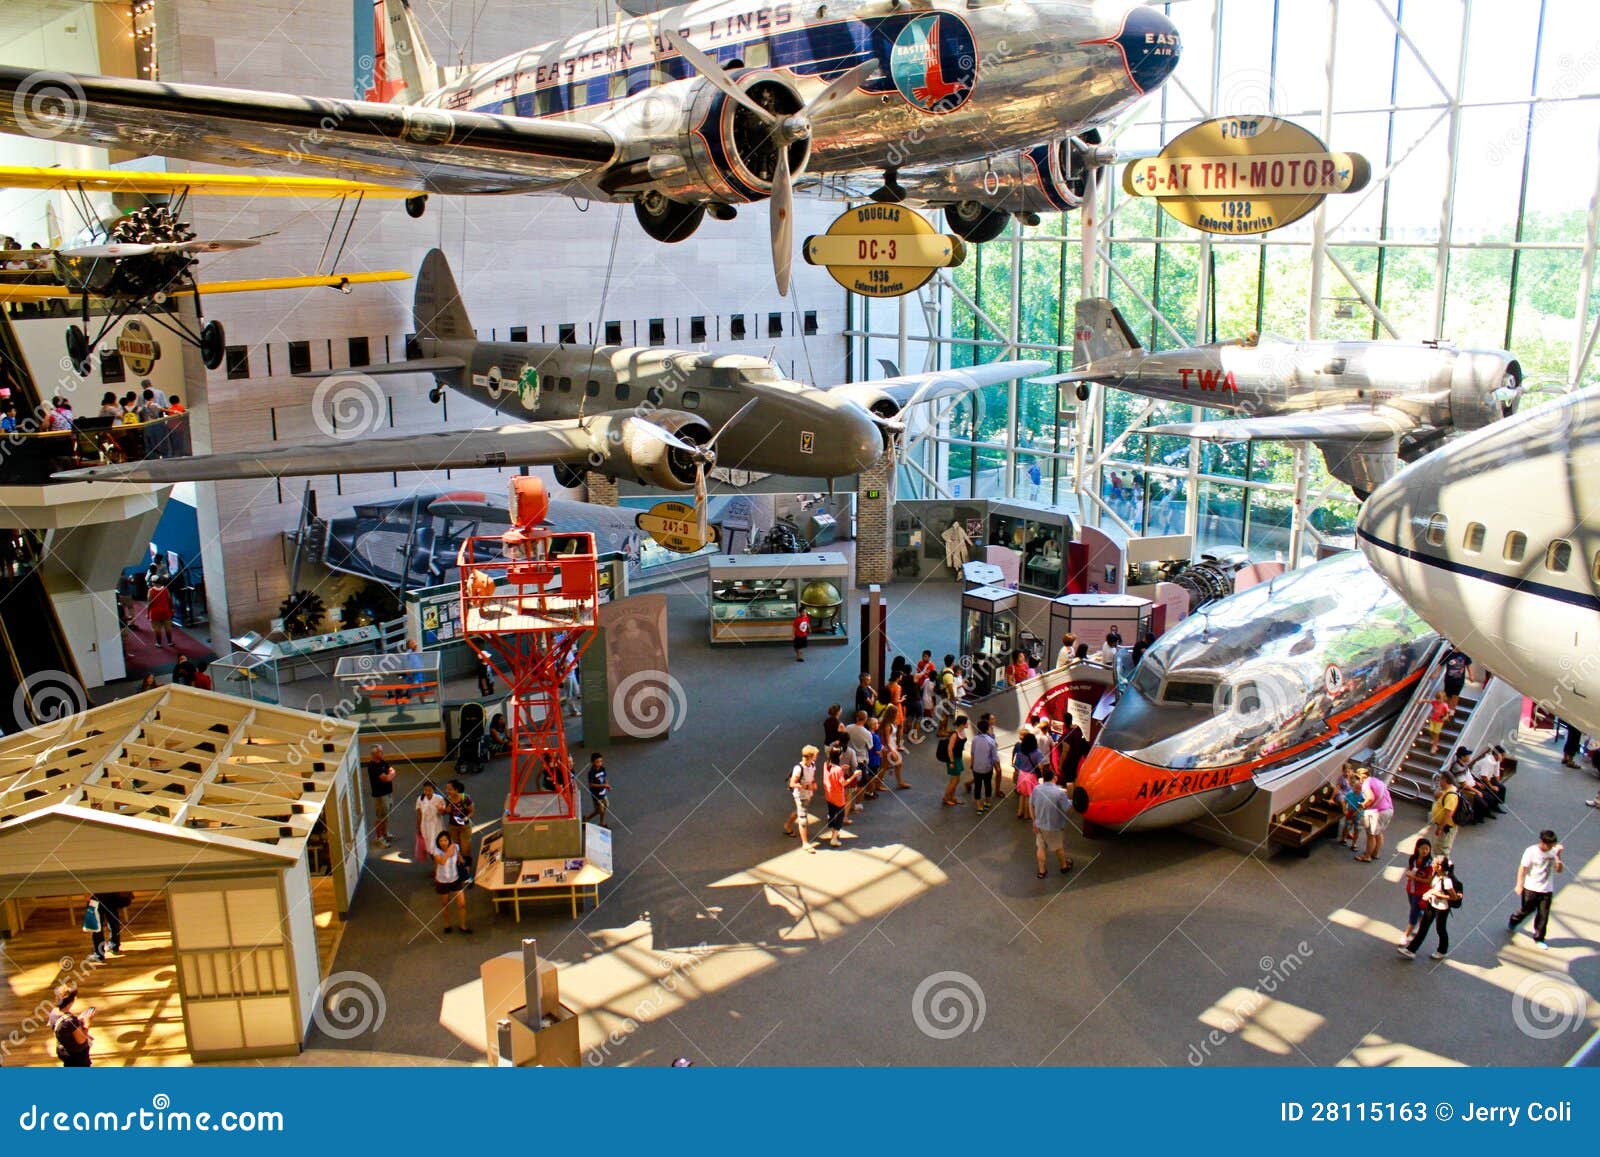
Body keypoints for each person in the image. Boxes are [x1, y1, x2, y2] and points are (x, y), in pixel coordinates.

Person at [1508, 829, 1564, 949]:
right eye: (1549, 845)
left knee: (1543, 914)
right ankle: (1514, 919)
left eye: (1552, 845)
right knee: (1527, 910)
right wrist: (1519, 884)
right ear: (1542, 842)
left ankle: (1539, 938)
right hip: (1531, 888)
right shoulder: (1531, 851)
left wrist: (1558, 856)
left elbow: (1559, 870)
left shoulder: (1554, 851)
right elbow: (1522, 868)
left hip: (1547, 889)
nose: (1550, 847)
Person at [1398, 857, 1462, 960]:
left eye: (1434, 863)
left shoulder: (1447, 881)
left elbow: (1454, 897)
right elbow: (1432, 886)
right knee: (1423, 927)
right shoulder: (1435, 875)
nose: (1432, 864)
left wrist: (1438, 895)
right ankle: (1411, 950)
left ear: (1440, 866)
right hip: (1431, 904)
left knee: (1440, 929)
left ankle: (1442, 951)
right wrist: (1431, 893)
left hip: (1442, 908)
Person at [1030, 768, 1074, 878]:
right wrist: (1072, 798)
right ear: (1054, 777)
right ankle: (1064, 866)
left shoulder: (1036, 789)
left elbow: (1030, 804)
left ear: (1044, 778)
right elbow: (1068, 808)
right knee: (1058, 847)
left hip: (1039, 824)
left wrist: (1034, 821)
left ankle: (1041, 871)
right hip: (1053, 826)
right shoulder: (1059, 793)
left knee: (1040, 847)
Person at [432, 831, 471, 934]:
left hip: (455, 879)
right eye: (441, 840)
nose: (443, 842)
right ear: (438, 842)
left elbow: (460, 859)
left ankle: (463, 925)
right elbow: (441, 862)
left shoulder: (456, 847)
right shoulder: (436, 851)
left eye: (445, 840)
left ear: (449, 840)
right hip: (443, 881)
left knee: (462, 904)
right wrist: (449, 852)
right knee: (445, 904)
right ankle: (447, 924)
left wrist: (466, 872)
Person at [822, 743, 859, 849]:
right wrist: (854, 775)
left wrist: (841, 768)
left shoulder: (826, 764)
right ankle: (834, 838)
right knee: (840, 817)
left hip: (829, 794)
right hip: (838, 796)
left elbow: (832, 775)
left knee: (832, 814)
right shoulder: (837, 769)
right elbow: (843, 783)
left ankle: (833, 833)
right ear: (839, 756)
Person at [49, 984, 94, 1067]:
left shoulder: (54, 1012)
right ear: (71, 1001)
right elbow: (81, 1039)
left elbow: (62, 1027)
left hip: (62, 1049)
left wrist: (78, 1020)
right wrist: (87, 1023)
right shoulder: (70, 1021)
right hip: (76, 1055)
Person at [1354, 767, 1394, 863]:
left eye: (1358, 778)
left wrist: (1363, 805)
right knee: (1378, 833)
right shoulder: (1377, 781)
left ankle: (1367, 856)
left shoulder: (1366, 784)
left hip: (1377, 812)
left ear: (1361, 777)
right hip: (1388, 809)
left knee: (1370, 834)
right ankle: (1375, 853)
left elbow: (1370, 798)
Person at [1400, 838, 1434, 946]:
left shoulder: (1429, 864)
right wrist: (1409, 874)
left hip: (1421, 892)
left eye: (1427, 849)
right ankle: (1420, 921)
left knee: (1413, 911)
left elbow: (1429, 880)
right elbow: (1410, 870)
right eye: (1423, 848)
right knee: (1414, 907)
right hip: (1411, 889)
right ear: (1417, 848)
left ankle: (1406, 934)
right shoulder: (1413, 859)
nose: (1425, 851)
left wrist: (1415, 878)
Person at [785, 745, 818, 852]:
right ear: (809, 757)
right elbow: (792, 783)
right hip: (800, 795)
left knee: (799, 811)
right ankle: (805, 843)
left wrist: (813, 784)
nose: (816, 757)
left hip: (807, 794)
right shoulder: (798, 768)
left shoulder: (812, 765)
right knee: (803, 818)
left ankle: (787, 826)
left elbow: (812, 777)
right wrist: (807, 787)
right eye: (815, 755)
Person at [1013, 727, 1046, 821]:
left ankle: (1020, 812)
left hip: (1021, 774)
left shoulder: (1021, 751)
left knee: (1022, 795)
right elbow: (1041, 766)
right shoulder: (1037, 753)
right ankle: (1027, 815)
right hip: (1031, 776)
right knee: (1029, 796)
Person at [366, 745, 396, 847]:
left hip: (388, 793)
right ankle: (379, 838)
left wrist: (390, 775)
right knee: (380, 817)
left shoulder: (382, 762)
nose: (382, 753)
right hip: (380, 795)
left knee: (386, 815)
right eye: (380, 751)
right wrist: (390, 775)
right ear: (374, 754)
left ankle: (385, 833)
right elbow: (386, 778)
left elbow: (392, 770)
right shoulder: (372, 766)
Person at [415, 781, 447, 872]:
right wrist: (418, 827)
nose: (427, 792)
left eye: (429, 790)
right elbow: (419, 814)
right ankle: (437, 865)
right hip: (425, 827)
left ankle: (439, 867)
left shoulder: (439, 798)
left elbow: (443, 812)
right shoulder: (420, 799)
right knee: (429, 847)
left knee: (437, 846)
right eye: (425, 790)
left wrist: (441, 810)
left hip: (437, 826)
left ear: (434, 790)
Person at [969, 717, 1000, 815]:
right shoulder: (991, 741)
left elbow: (972, 753)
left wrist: (972, 764)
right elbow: (994, 757)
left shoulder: (974, 739)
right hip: (987, 768)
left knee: (977, 786)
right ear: (987, 729)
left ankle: (979, 806)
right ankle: (987, 802)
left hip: (976, 767)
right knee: (987, 784)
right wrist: (998, 768)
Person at [1430, 774, 1461, 858]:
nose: (1439, 782)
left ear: (1445, 780)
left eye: (1440, 779)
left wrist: (1440, 828)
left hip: (1446, 828)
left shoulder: (1451, 795)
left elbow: (1449, 814)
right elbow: (1436, 797)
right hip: (1442, 826)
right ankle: (1438, 867)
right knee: (1437, 848)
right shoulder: (1445, 790)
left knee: (1442, 850)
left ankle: (1443, 869)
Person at [941, 716, 969, 807]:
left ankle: (952, 796)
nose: (968, 724)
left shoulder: (962, 732)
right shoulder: (954, 735)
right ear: (962, 724)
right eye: (966, 722)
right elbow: (950, 749)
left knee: (957, 779)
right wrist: (952, 762)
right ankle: (946, 798)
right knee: (954, 780)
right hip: (953, 759)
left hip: (958, 757)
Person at [1440, 646, 1472, 713]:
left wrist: (1471, 675)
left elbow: (1468, 664)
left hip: (1459, 680)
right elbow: (1441, 664)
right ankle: (1445, 710)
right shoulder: (1448, 653)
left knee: (1455, 696)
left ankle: (1451, 711)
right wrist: (1436, 673)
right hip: (1449, 679)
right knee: (1448, 695)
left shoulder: (1464, 653)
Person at [145, 577, 175, 648]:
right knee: (168, 628)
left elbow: (149, 603)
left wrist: (148, 613)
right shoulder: (165, 589)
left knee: (157, 629)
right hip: (166, 611)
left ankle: (159, 643)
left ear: (153, 582)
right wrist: (172, 608)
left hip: (155, 612)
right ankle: (170, 642)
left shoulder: (151, 590)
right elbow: (169, 599)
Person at [583, 752, 610, 826]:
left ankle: (602, 822)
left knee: (606, 806)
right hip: (596, 794)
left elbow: (604, 778)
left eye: (601, 761)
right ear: (593, 762)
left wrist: (607, 785)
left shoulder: (602, 768)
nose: (600, 763)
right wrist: (603, 785)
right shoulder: (591, 772)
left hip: (603, 792)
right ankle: (587, 817)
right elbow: (591, 784)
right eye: (597, 762)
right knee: (599, 810)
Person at [1424, 690, 1450, 755]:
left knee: (1436, 733)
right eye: (1437, 699)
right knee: (1431, 730)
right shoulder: (1435, 702)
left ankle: (1434, 746)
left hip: (1439, 721)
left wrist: (1446, 717)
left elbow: (1447, 713)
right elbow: (1429, 701)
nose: (1438, 701)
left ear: (1443, 699)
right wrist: (1422, 700)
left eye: (1440, 699)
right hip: (1433, 719)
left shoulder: (1444, 705)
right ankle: (1434, 741)